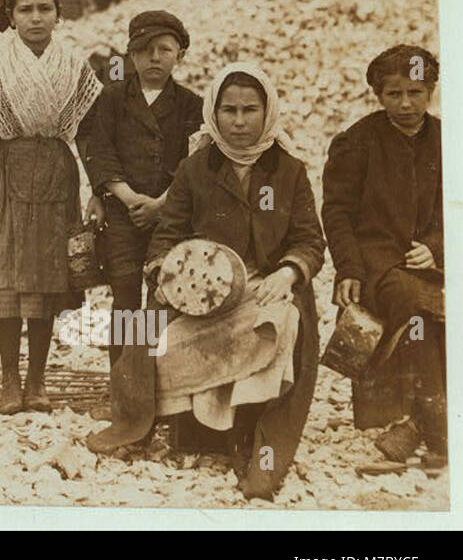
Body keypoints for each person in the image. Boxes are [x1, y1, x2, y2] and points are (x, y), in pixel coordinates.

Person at [88, 63, 325, 502]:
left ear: (267, 111)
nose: (238, 122)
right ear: (213, 113)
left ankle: (252, 435)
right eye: (228, 110)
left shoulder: (288, 170)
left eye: (249, 110)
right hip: (205, 286)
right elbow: (168, 234)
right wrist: (169, 273)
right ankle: (166, 424)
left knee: (280, 323)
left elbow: (310, 240)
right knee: (149, 339)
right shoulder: (196, 167)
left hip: (268, 283)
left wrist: (288, 272)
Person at [0, 0, 101, 415]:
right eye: (26, 10)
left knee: (46, 280)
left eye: (45, 9)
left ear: (59, 16)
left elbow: (89, 136)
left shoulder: (75, 68)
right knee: (6, 278)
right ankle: (8, 381)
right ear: (12, 16)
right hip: (8, 174)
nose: (36, 18)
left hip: (58, 178)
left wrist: (98, 190)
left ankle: (37, 381)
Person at [321, 45, 444, 466]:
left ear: (431, 91)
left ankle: (422, 425)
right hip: (378, 263)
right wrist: (349, 268)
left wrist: (437, 247)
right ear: (378, 95)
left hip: (436, 262)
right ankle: (436, 425)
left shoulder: (450, 140)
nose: (406, 103)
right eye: (394, 94)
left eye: (416, 92)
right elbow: (336, 212)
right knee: (412, 302)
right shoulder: (357, 142)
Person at [76, 11, 203, 385]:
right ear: (130, 55)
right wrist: (128, 197)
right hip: (122, 214)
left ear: (179, 56)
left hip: (171, 214)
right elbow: (100, 150)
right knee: (126, 295)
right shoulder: (112, 99)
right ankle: (124, 384)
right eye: (145, 50)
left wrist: (162, 203)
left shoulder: (190, 105)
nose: (155, 58)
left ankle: (162, 382)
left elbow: (193, 159)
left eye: (165, 49)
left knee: (166, 295)